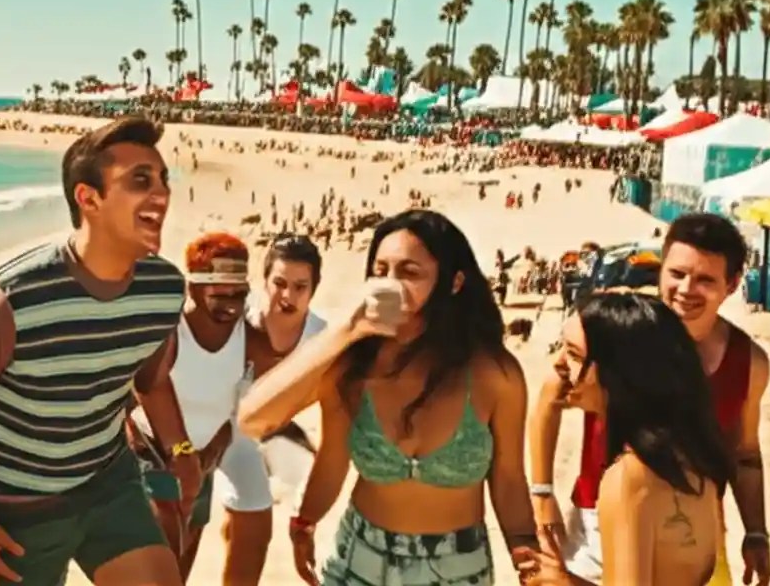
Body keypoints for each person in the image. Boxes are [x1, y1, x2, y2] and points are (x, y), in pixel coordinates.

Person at [0, 116, 189, 586]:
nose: (162, 195)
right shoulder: (10, 297)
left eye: (163, 180)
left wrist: (180, 447)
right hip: (16, 504)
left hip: (107, 482)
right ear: (89, 199)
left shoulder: (164, 289)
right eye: (140, 181)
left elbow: (150, 379)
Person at [239, 209, 540, 586]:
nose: (390, 284)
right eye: (380, 271)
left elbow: (509, 480)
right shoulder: (354, 362)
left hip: (458, 569)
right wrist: (305, 521)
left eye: (409, 273)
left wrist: (529, 562)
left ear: (454, 281)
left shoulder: (494, 374)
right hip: (359, 558)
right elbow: (261, 422)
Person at [530, 213, 770, 586]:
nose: (686, 289)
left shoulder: (747, 362)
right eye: (676, 273)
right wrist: (542, 491)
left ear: (733, 284)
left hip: (686, 522)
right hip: (600, 511)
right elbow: (552, 393)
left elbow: (744, 453)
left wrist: (756, 532)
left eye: (705, 279)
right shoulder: (620, 326)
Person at [529, 293, 732, 586]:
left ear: (618, 371)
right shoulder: (695, 454)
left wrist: (562, 582)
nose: (559, 364)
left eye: (573, 354)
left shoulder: (630, 478)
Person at [128, 231, 254, 580]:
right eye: (219, 295)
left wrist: (209, 454)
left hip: (205, 460)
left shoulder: (246, 333)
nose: (231, 303)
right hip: (154, 458)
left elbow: (243, 406)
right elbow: (145, 388)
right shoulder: (169, 330)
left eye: (239, 294)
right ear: (193, 288)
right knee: (156, 569)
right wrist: (179, 455)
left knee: (181, 566)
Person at [218, 233, 327, 585]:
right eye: (279, 283)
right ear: (264, 281)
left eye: (300, 286)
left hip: (267, 436)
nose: (288, 296)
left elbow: (335, 420)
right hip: (211, 428)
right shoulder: (236, 320)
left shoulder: (321, 342)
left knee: (251, 527)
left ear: (314, 289)